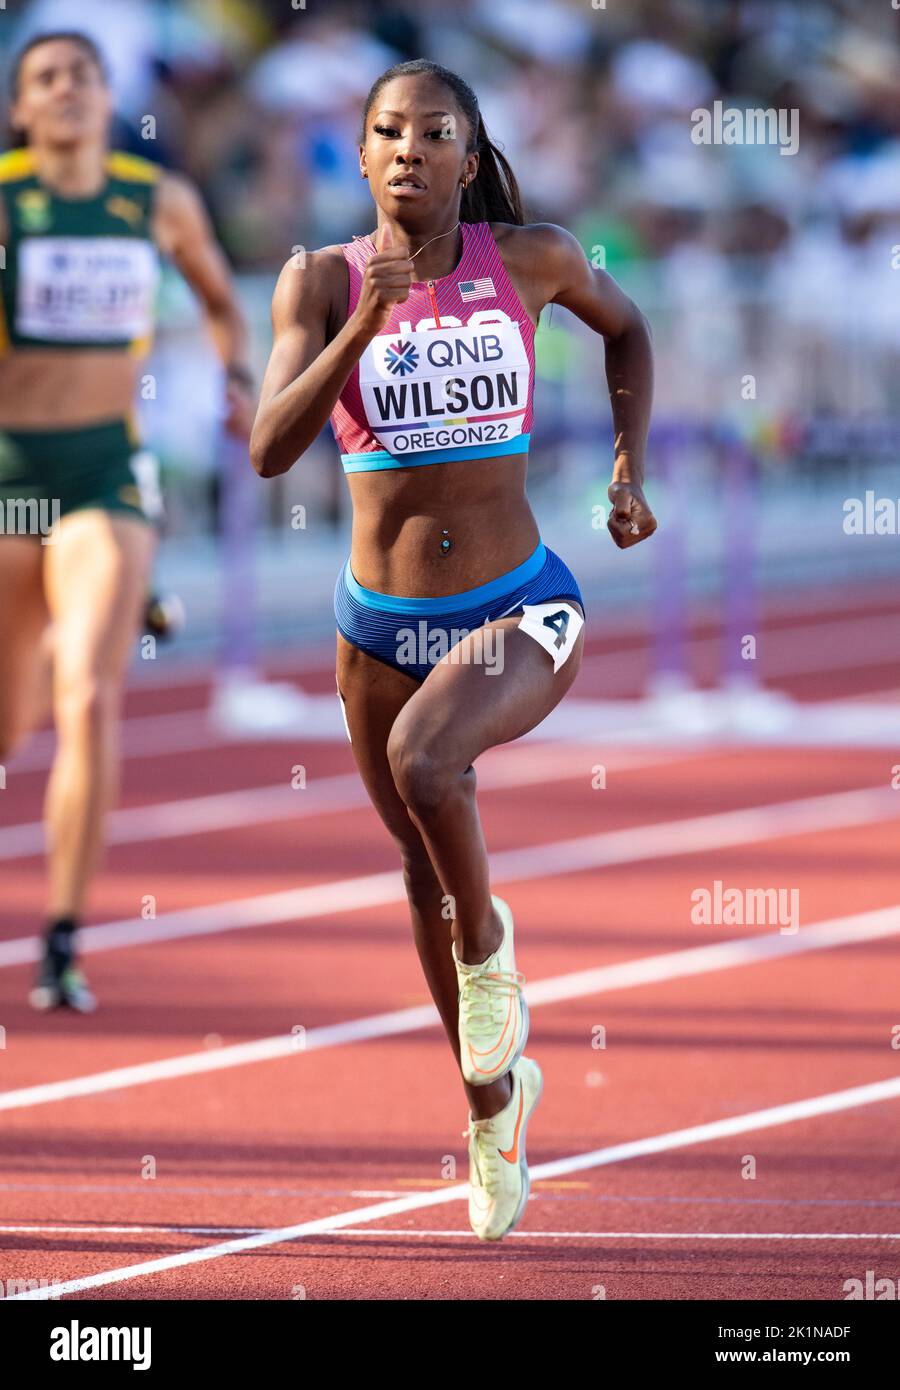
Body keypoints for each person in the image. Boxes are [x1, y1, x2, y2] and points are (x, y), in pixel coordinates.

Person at [251, 59, 655, 1241]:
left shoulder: (531, 259)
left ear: (468, 159)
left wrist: (630, 468)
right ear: (363, 154)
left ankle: (493, 958)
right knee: (422, 874)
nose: (410, 149)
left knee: (433, 765)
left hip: (523, 604)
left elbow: (629, 332)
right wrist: (362, 324)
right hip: (375, 626)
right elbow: (273, 444)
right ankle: (493, 1111)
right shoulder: (317, 282)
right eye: (389, 132)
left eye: (436, 133)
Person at [0, 32, 255, 1011]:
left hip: (106, 465)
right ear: (22, 108)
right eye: (46, 80)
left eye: (84, 77)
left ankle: (62, 938)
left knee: (92, 697)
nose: (68, 91)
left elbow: (223, 300)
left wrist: (234, 375)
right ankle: (77, 619)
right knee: (11, 717)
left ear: (111, 99)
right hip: (12, 473)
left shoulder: (157, 200)